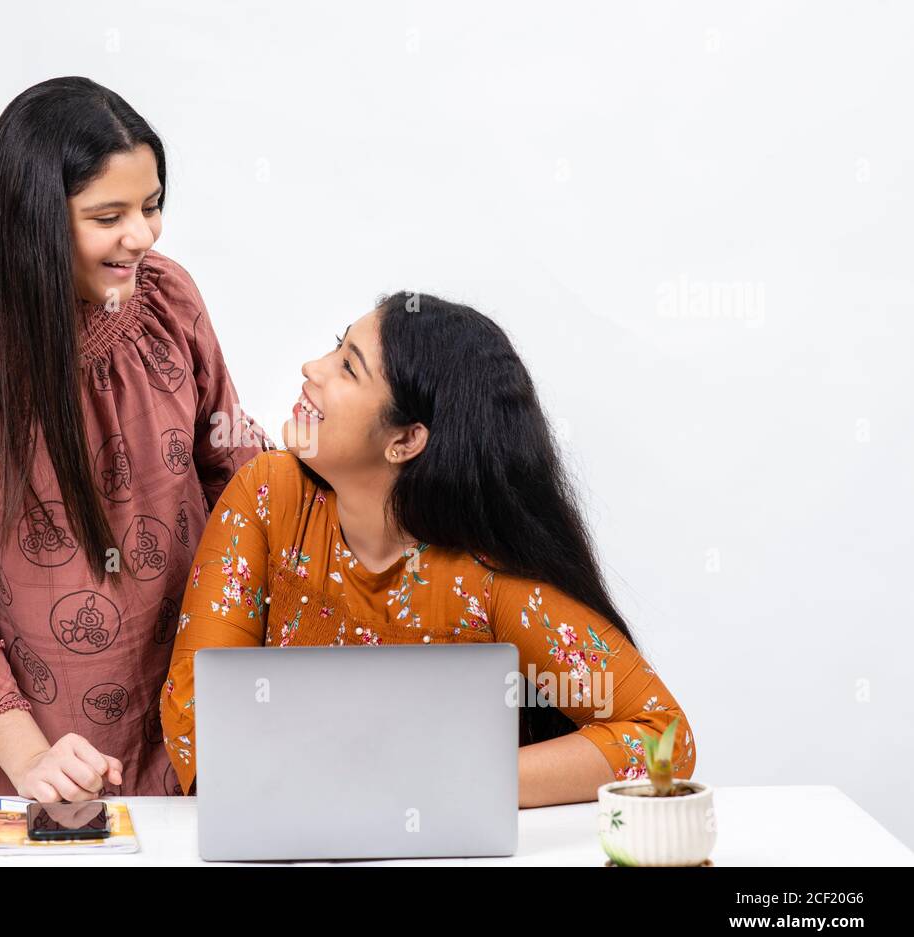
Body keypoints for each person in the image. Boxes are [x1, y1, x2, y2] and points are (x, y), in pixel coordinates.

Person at [0, 77, 272, 800]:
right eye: (107, 215)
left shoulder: (167, 300)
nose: (141, 236)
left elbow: (232, 468)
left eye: (151, 207)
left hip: (182, 699)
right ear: (33, 223)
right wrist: (30, 760)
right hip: (28, 747)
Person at [161, 292, 696, 807]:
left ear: (407, 440)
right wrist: (334, 790)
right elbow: (195, 713)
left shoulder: (485, 577)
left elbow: (661, 739)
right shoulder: (268, 495)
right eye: (336, 346)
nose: (312, 368)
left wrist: (453, 781)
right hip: (280, 836)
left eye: (349, 368)